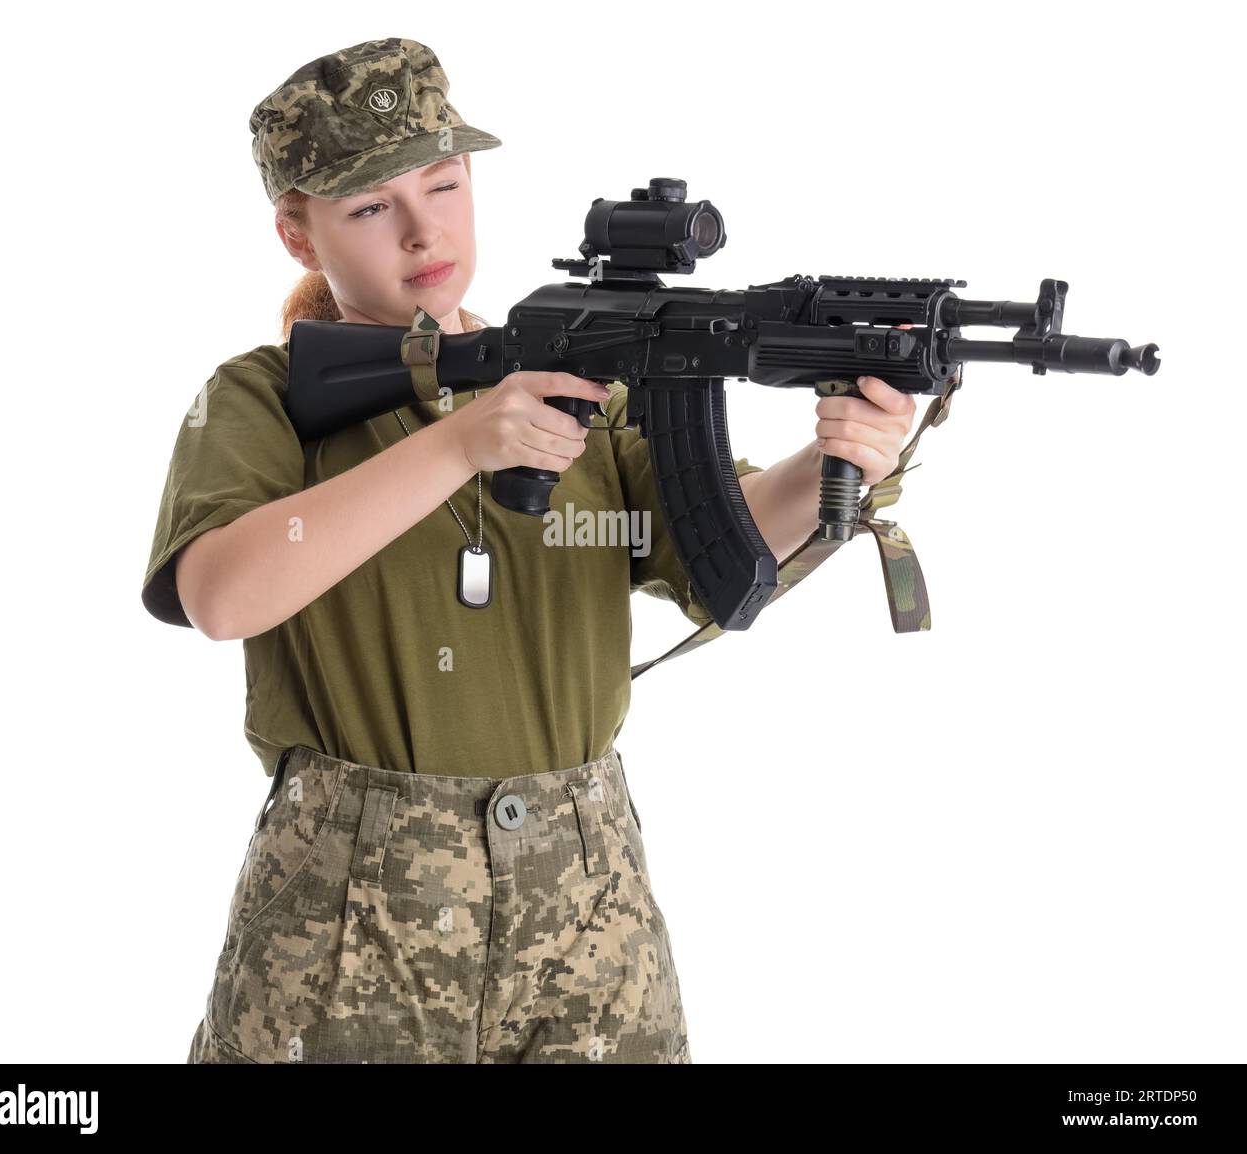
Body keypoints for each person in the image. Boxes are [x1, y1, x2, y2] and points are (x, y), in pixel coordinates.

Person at [141, 38, 917, 1064]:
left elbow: (714, 551)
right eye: (371, 207)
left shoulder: (582, 378)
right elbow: (223, 593)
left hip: (585, 902)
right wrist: (462, 441)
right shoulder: (260, 397)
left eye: (445, 184)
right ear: (296, 231)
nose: (425, 231)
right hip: (345, 911)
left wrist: (839, 457)